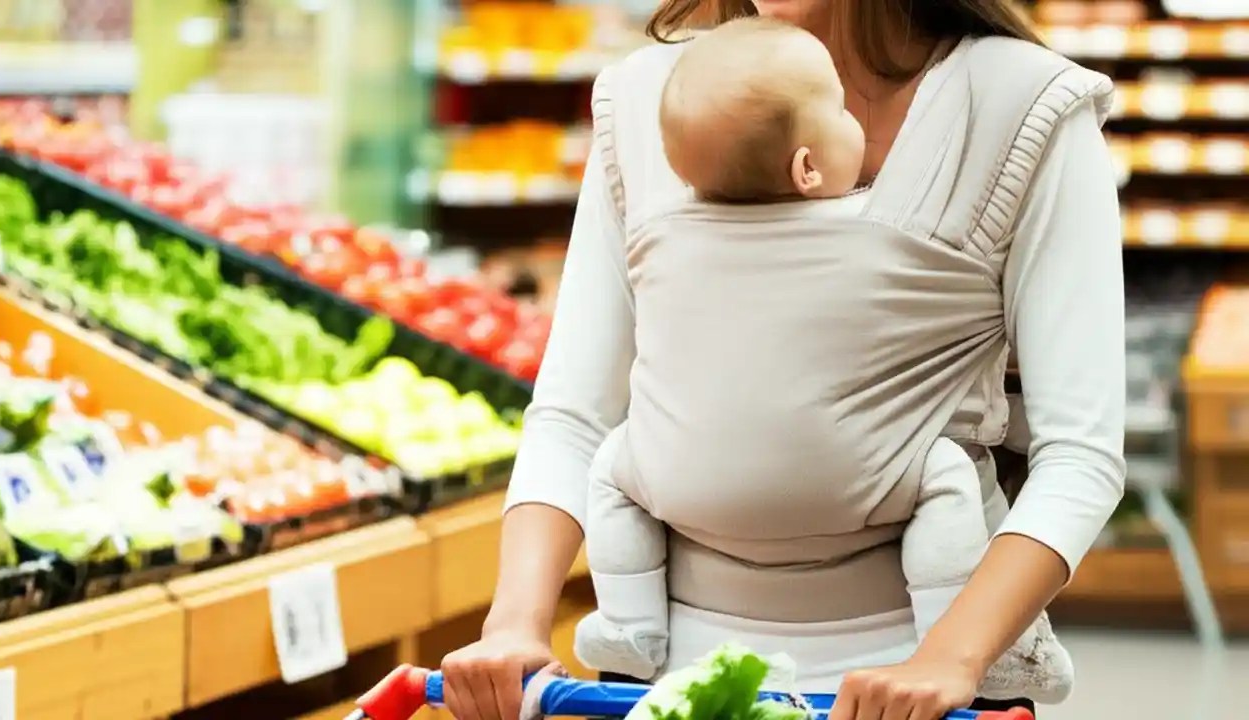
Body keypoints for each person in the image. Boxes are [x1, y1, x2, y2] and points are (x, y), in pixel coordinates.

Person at [439, 1, 1126, 719]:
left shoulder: (1024, 107)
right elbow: (576, 416)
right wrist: (513, 623)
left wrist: (947, 660)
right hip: (667, 685)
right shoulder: (652, 99)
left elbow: (1081, 454)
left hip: (925, 685)